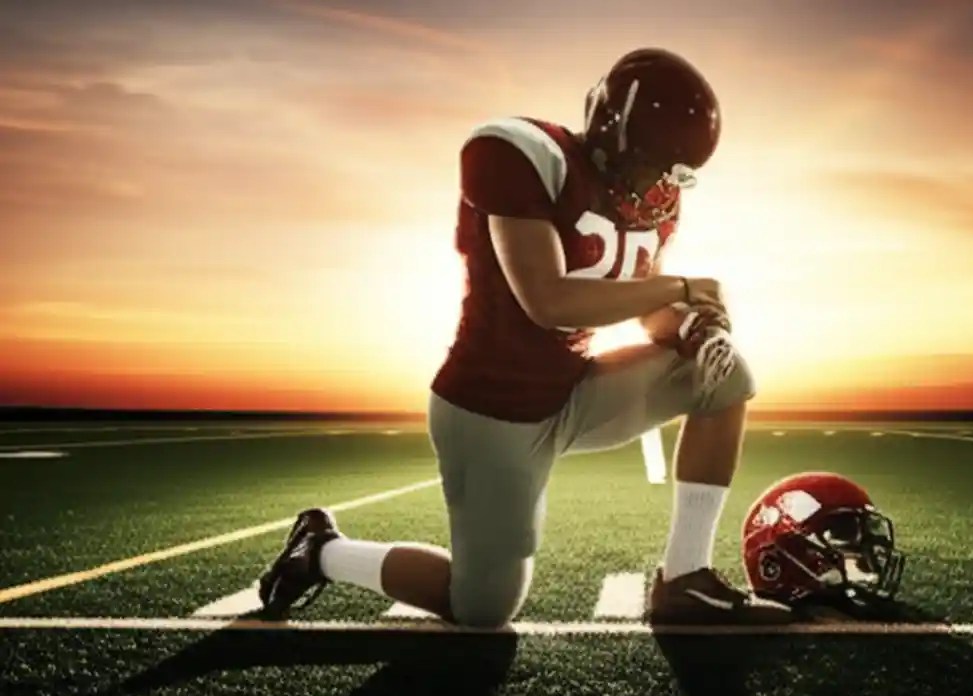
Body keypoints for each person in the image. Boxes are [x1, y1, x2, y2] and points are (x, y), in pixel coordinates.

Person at [257, 48, 791, 627]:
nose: (662, 184)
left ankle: (685, 579)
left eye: (675, 172)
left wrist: (694, 329)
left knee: (725, 375)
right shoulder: (523, 155)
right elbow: (548, 300)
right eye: (656, 164)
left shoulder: (653, 202)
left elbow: (643, 305)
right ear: (614, 133)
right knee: (483, 607)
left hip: (573, 392)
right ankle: (323, 552)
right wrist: (681, 287)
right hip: (492, 411)